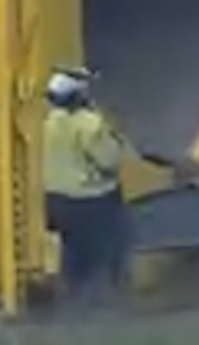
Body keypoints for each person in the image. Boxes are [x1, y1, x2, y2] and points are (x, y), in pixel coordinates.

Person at [40, 65, 133, 305]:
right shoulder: (90, 124)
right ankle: (107, 302)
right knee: (108, 253)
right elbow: (109, 160)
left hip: (56, 200)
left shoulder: (48, 121)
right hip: (92, 202)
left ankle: (71, 303)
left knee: (72, 258)